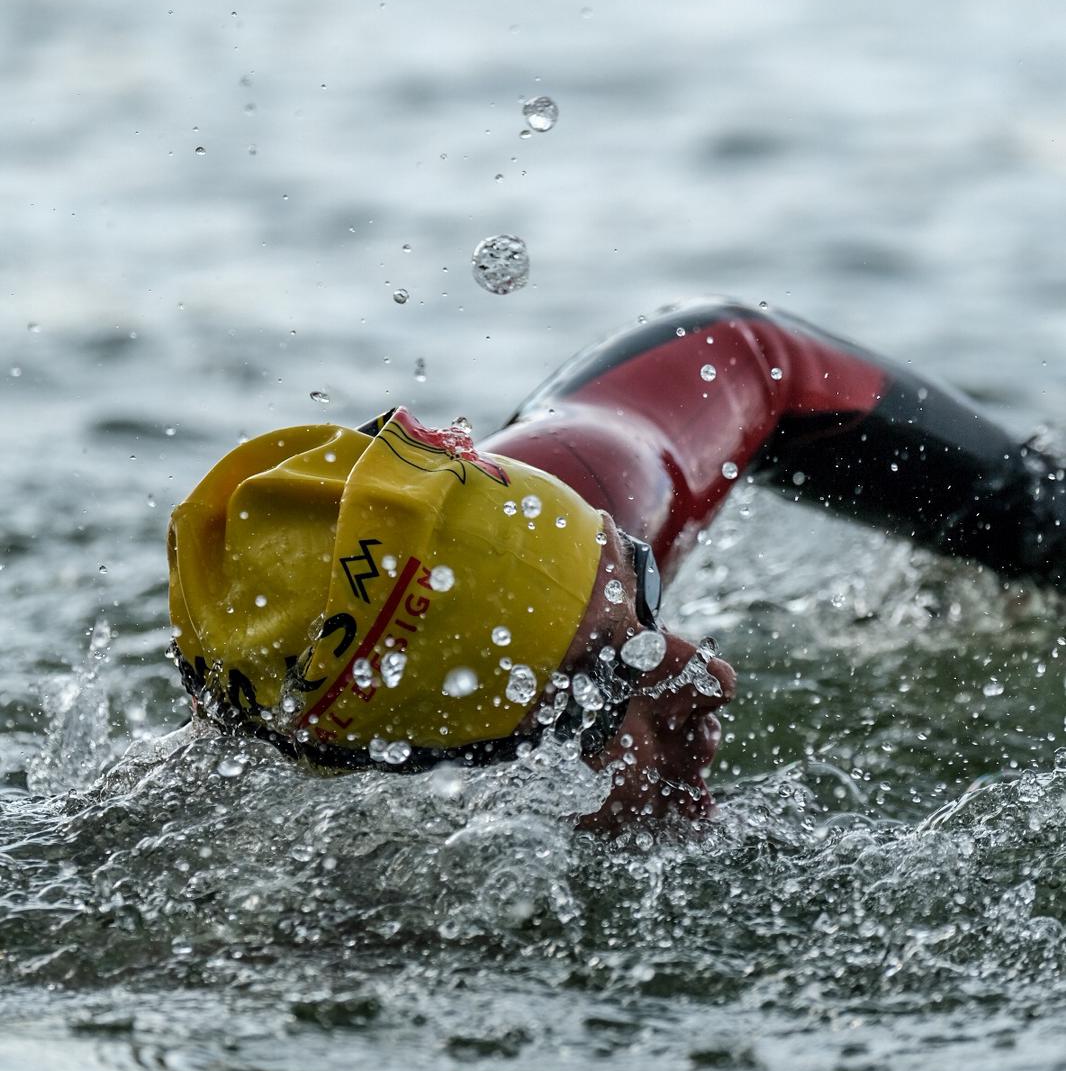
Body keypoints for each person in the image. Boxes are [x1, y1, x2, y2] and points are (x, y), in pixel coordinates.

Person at [168, 297, 1066, 828]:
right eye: (598, 683)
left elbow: (747, 352)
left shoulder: (596, 479)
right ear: (483, 747)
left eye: (639, 578)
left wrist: (1036, 522)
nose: (703, 669)